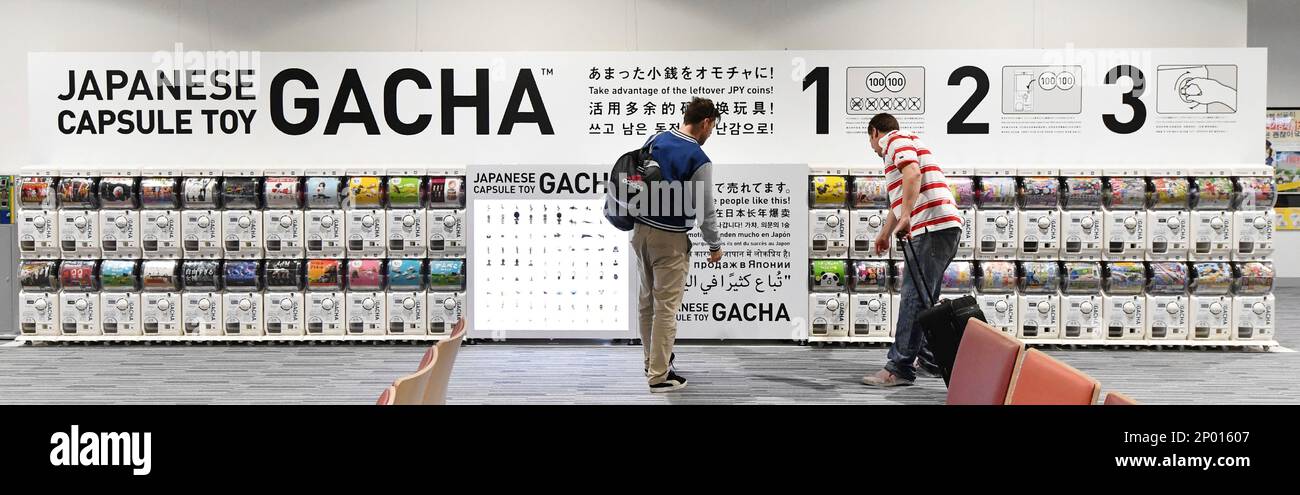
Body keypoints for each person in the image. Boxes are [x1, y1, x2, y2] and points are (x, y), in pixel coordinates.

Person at [861, 113, 963, 387]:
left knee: (913, 298)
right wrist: (885, 233)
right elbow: (902, 195)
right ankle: (929, 359)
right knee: (925, 298)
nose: (873, 148)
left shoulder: (894, 140)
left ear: (875, 132)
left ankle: (900, 368)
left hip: (931, 227)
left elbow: (913, 174)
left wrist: (907, 216)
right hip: (942, 227)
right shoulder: (909, 142)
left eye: (870, 140)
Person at [632, 97, 723, 393]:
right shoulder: (698, 157)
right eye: (713, 127)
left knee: (647, 302)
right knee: (666, 308)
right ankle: (659, 376)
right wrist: (714, 245)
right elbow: (705, 210)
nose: (711, 133)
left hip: (640, 230)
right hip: (669, 239)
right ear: (706, 122)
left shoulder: (655, 139)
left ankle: (652, 363)